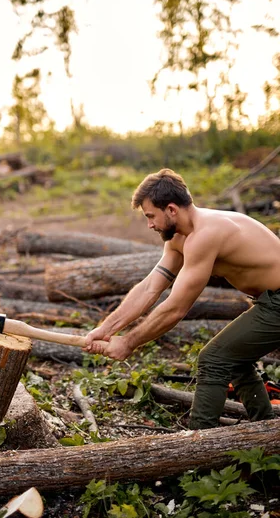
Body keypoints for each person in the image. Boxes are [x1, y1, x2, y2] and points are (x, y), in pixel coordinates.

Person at [84, 168, 280, 429]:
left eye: (151, 216)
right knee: (234, 358)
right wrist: (106, 329)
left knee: (214, 359)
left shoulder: (206, 234)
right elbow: (150, 288)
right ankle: (266, 431)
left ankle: (198, 445)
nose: (150, 224)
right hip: (270, 301)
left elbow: (176, 308)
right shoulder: (178, 237)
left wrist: (128, 343)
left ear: (172, 210)